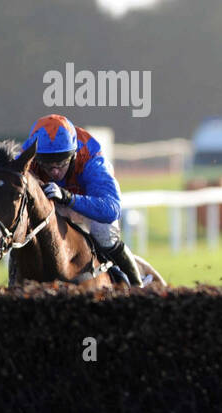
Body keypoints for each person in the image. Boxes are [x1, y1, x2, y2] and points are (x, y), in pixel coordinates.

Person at [21, 114, 141, 285]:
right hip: (51, 206)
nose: (54, 172)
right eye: (47, 165)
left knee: (105, 234)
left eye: (61, 164)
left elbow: (111, 210)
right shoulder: (27, 156)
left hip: (87, 203)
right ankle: (14, 281)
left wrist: (68, 198)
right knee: (22, 235)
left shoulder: (92, 160)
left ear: (73, 155)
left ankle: (136, 284)